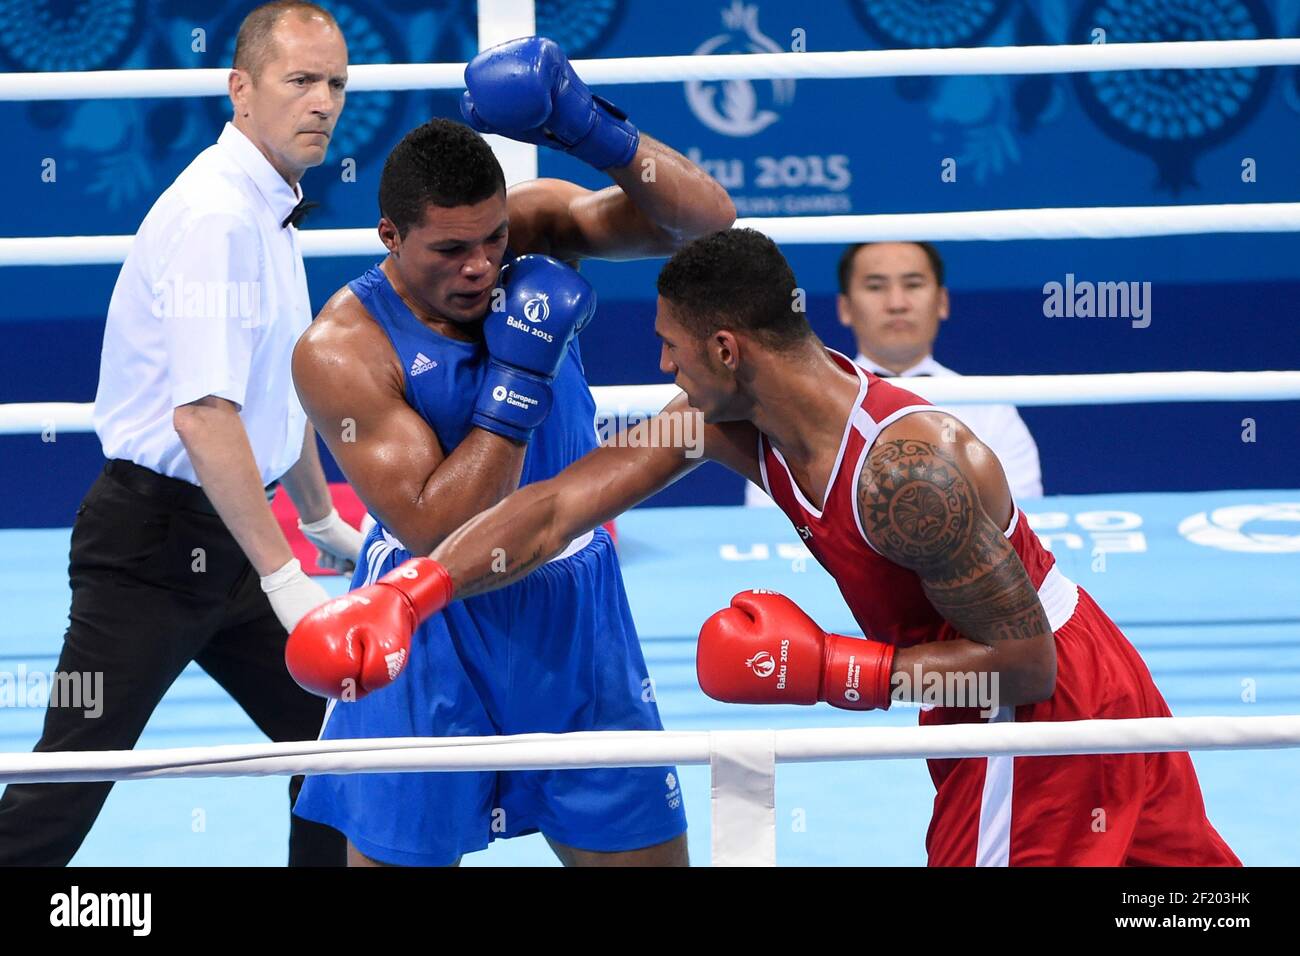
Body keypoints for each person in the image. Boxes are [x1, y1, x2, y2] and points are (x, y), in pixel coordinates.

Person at [292, 228, 1240, 867]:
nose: (661, 366)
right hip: (1025, 671)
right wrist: (415, 591)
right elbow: (555, 508)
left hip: (1037, 714)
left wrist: (835, 670)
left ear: (726, 348)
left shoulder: (908, 474)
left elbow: (1025, 668)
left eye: (671, 348)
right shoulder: (722, 421)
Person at [287, 36, 736, 867]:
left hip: (569, 594)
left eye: (492, 240)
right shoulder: (341, 350)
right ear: (390, 235)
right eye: (450, 251)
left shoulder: (532, 232)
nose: (481, 266)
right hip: (426, 617)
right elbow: (435, 528)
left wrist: (588, 126)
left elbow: (705, 223)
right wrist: (517, 379)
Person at [0, 1, 357, 866]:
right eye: (300, 81)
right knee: (65, 785)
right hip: (156, 545)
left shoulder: (269, 205)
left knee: (344, 748)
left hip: (231, 531)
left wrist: (316, 523)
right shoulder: (218, 218)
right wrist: (283, 574)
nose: (323, 103)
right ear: (241, 89)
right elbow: (204, 417)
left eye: (338, 84)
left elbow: (275, 390)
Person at [745, 240, 1042, 506]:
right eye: (876, 287)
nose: (897, 303)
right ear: (845, 307)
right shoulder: (801, 407)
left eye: (913, 284)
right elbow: (769, 525)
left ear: (942, 301)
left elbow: (1025, 517)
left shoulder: (990, 406)